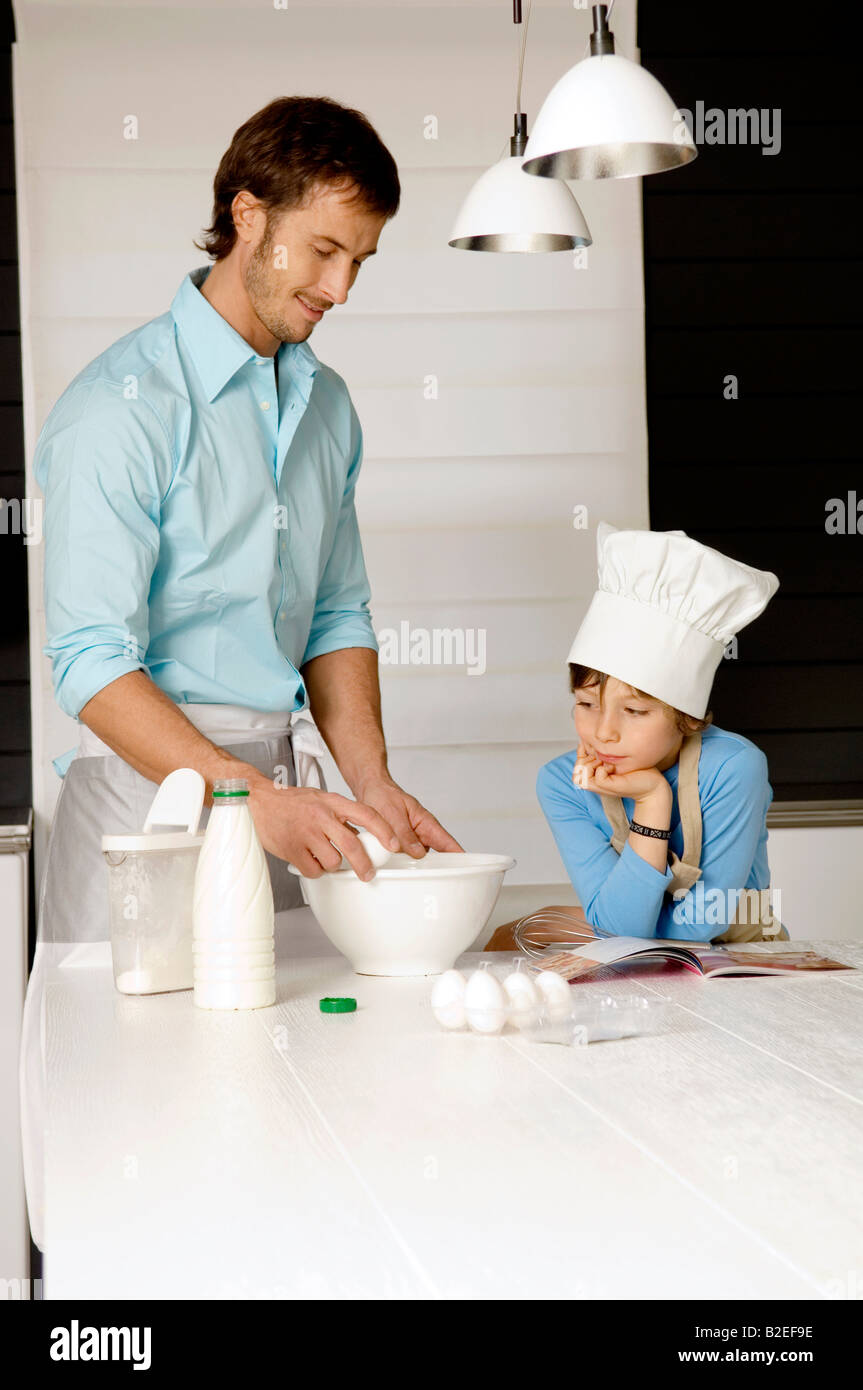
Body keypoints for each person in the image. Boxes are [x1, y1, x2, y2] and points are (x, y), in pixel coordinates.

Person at [34, 95, 462, 949]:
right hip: (146, 809)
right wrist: (247, 797)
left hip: (284, 802)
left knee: (282, 1063)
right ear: (248, 216)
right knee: (136, 1072)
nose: (340, 289)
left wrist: (369, 781)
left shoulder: (327, 407)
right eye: (325, 250)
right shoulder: (117, 411)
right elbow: (89, 661)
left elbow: (336, 617)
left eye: (360, 261)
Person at [486, 522, 788, 950]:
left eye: (634, 711)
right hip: (636, 966)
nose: (604, 732)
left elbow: (702, 926)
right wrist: (652, 802)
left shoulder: (734, 767)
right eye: (587, 704)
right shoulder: (563, 783)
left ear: (688, 718)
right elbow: (615, 928)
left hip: (748, 964)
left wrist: (651, 798)